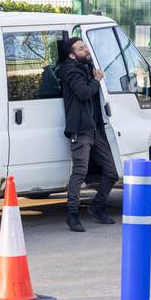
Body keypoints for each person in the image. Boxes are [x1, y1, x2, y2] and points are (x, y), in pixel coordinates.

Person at [55, 37, 119, 232]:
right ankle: (72, 214)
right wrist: (97, 80)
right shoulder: (70, 70)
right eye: (81, 49)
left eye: (85, 47)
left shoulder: (85, 66)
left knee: (111, 171)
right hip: (80, 129)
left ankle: (97, 207)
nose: (86, 51)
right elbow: (83, 93)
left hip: (94, 128)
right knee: (80, 172)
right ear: (72, 55)